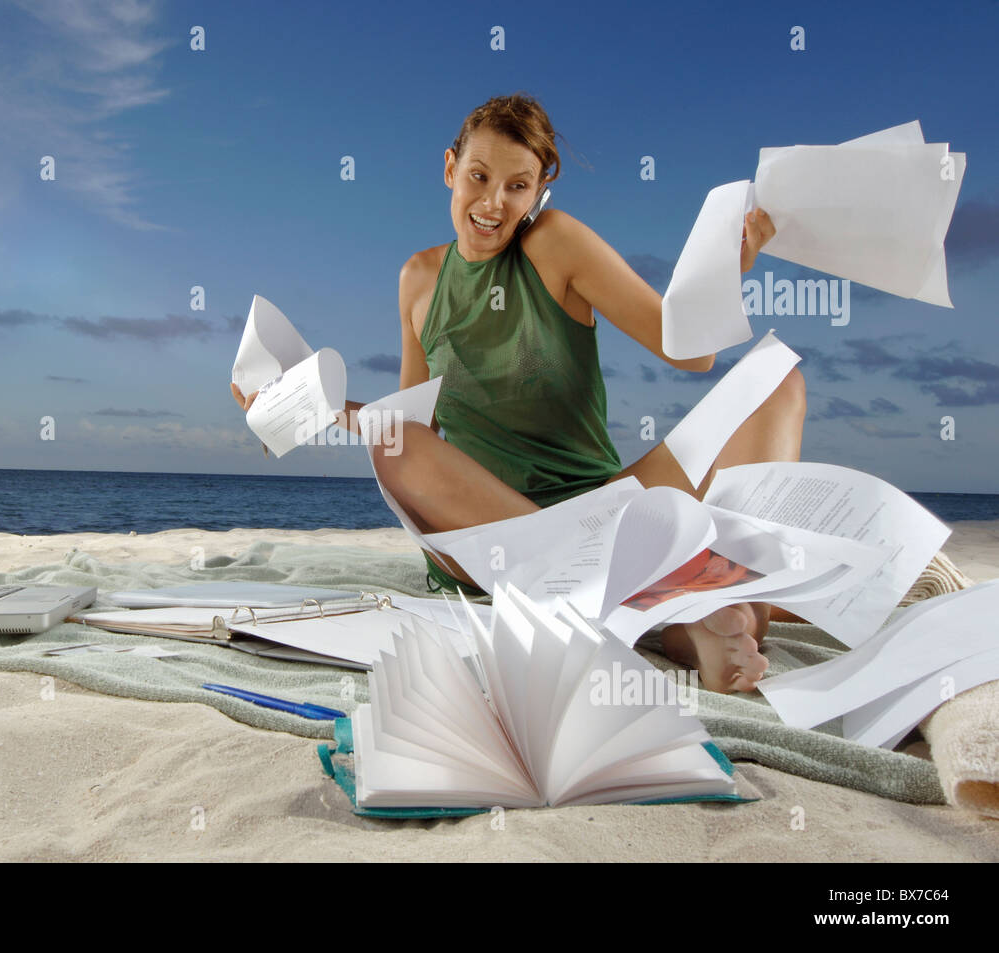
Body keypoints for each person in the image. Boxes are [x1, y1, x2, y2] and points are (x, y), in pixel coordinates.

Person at [232, 92, 803, 694]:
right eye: (478, 177)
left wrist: (723, 271)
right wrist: (306, 407)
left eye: (517, 186)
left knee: (778, 384)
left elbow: (690, 352)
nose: (493, 203)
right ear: (450, 167)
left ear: (540, 191)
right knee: (398, 447)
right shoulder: (420, 280)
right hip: (489, 538)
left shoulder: (554, 243)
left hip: (601, 512)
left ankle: (704, 623)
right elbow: (411, 425)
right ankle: (683, 601)